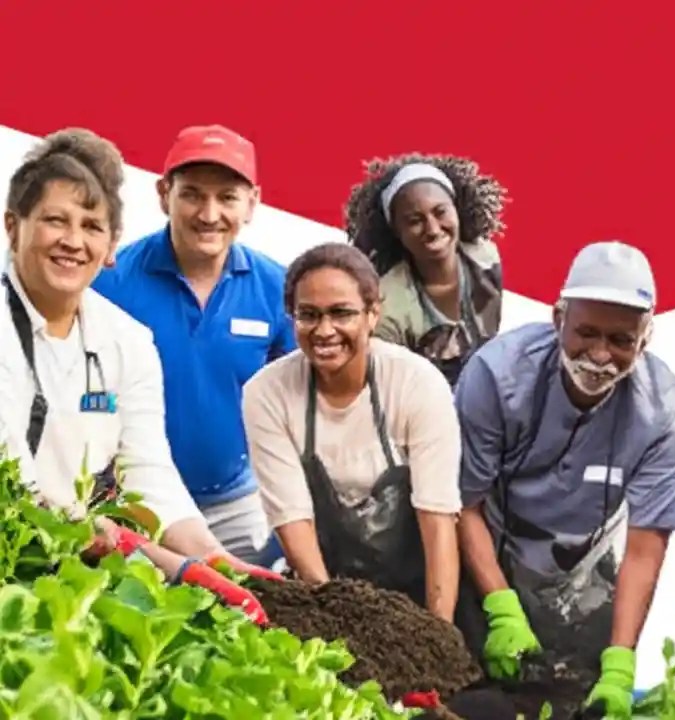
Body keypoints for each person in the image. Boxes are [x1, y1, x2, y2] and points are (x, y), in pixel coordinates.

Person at [0, 127, 277, 620]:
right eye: (55, 221)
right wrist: (164, 562)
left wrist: (212, 557)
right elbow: (15, 485)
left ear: (110, 245)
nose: (72, 241)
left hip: (73, 564)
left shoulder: (125, 339)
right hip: (23, 548)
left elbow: (145, 467)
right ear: (12, 226)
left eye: (91, 226)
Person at [453, 241, 675, 718]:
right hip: (491, 556)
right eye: (586, 333)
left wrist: (621, 664)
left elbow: (645, 545)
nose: (600, 356)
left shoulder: (663, 410)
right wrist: (501, 607)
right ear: (558, 319)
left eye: (622, 340)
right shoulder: (497, 376)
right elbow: (465, 503)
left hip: (585, 574)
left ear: (647, 337)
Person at [93, 124, 294, 567]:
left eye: (227, 197)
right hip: (134, 504)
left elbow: (304, 403)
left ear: (253, 204)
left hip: (238, 505)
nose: (209, 213)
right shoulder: (109, 281)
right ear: (164, 194)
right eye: (192, 194)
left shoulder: (279, 288)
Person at [241, 243, 462, 619]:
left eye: (341, 313)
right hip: (327, 581)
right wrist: (335, 615)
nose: (324, 330)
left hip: (420, 578)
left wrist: (438, 632)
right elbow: (292, 518)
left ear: (373, 314)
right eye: (308, 315)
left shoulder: (416, 383)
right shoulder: (267, 393)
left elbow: (438, 518)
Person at [347, 153, 505, 388]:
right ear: (396, 231)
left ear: (457, 209)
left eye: (440, 212)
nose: (432, 229)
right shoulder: (387, 309)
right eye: (414, 221)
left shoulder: (485, 259)